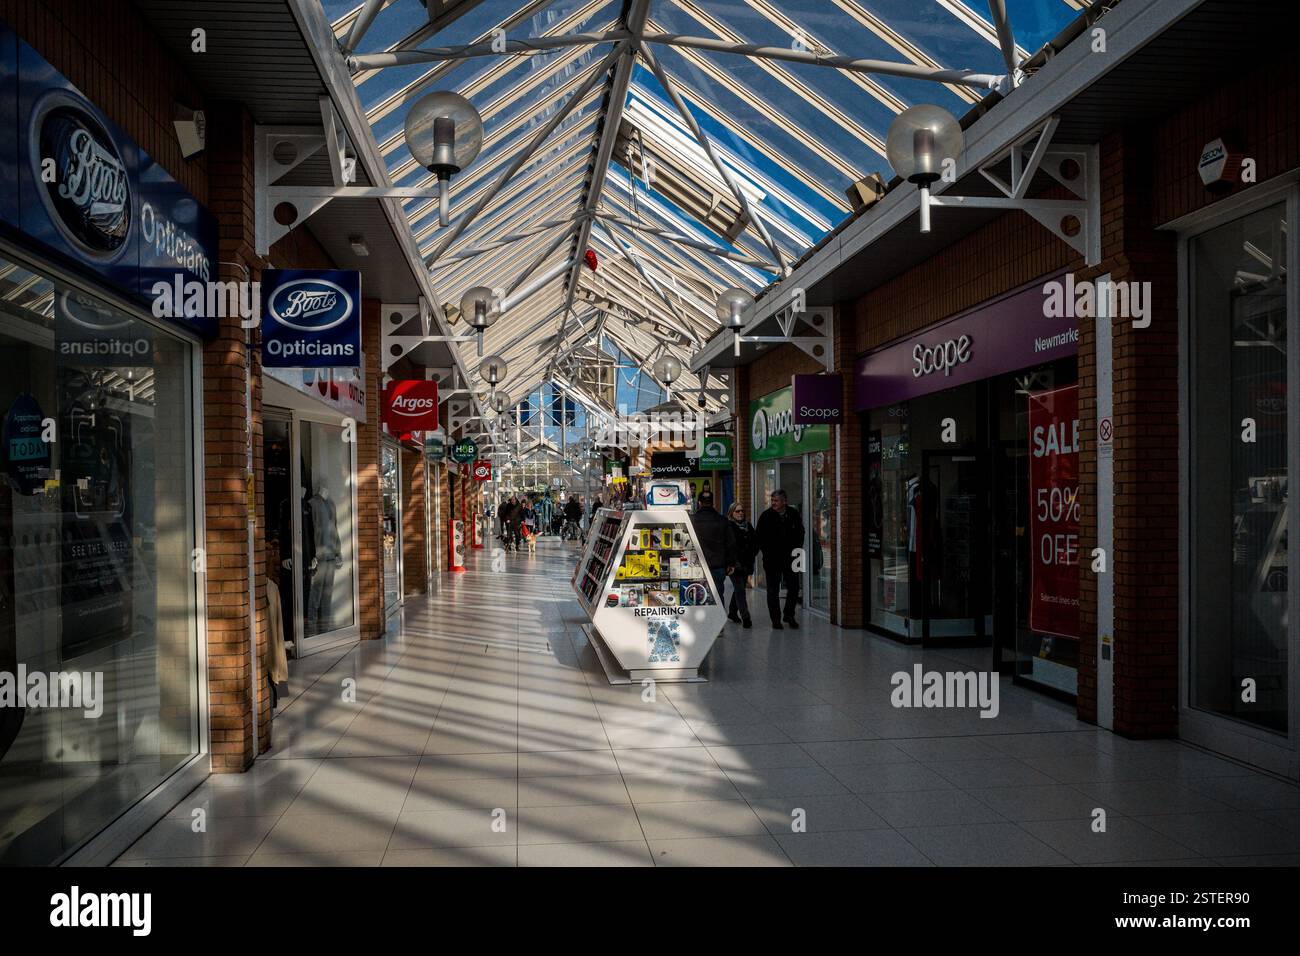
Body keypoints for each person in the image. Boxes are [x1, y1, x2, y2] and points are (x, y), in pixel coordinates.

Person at [755, 489, 804, 629]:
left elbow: (801, 532)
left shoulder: (793, 514)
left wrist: (797, 548)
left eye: (776, 501)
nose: (773, 503)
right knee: (772, 590)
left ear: (784, 502)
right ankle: (775, 619)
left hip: (793, 557)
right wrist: (766, 552)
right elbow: (759, 537)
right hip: (772, 559)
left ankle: (789, 614)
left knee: (794, 587)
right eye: (772, 501)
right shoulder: (766, 516)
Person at [688, 490, 736, 612]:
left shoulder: (691, 521)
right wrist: (731, 563)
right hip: (718, 565)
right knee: (718, 594)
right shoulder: (723, 520)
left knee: (698, 595)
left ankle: (701, 625)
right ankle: (719, 624)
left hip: (697, 566)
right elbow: (730, 544)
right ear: (713, 503)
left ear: (699, 503)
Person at [725, 501, 756, 628]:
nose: (741, 513)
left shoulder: (748, 525)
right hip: (734, 564)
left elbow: (755, 542)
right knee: (740, 590)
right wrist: (731, 562)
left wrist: (753, 553)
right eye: (737, 511)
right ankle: (746, 617)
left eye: (742, 511)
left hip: (747, 563)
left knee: (739, 589)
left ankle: (732, 612)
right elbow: (727, 546)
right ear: (732, 513)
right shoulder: (728, 526)